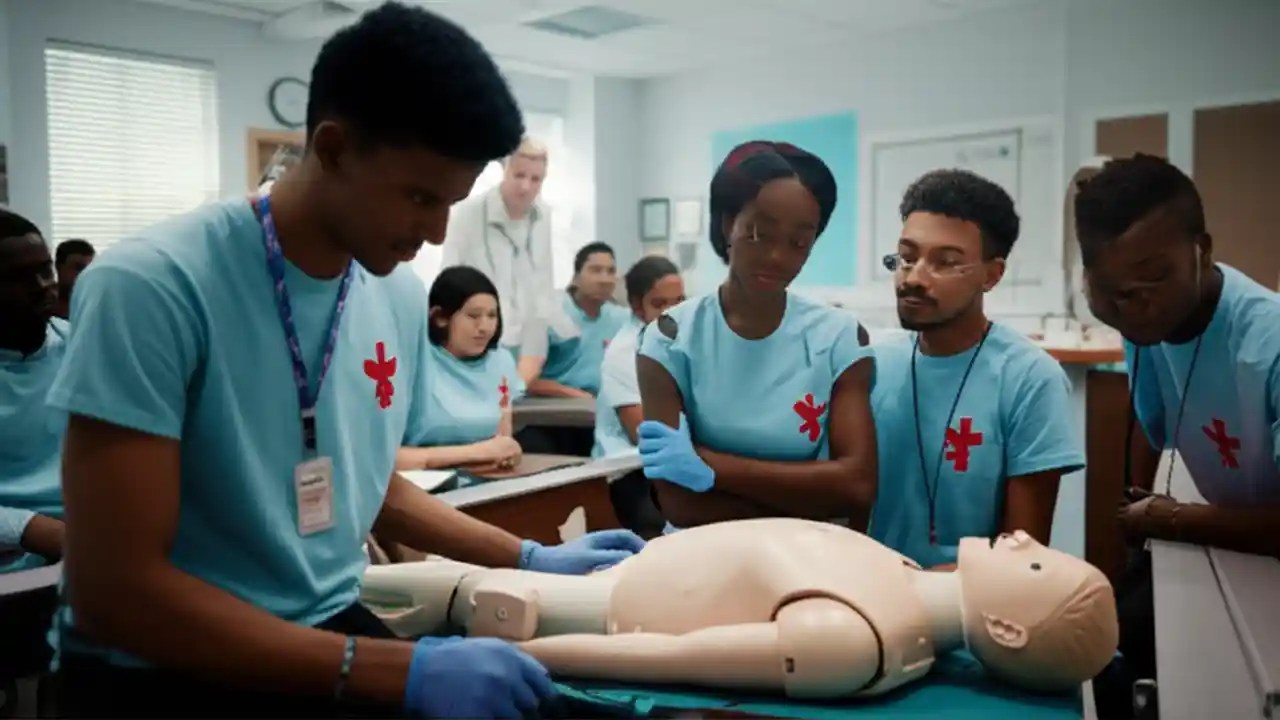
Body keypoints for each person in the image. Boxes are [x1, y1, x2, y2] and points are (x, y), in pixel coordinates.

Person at [46, 4, 643, 718]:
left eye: (453, 202)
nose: (435, 232)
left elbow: (373, 490)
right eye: (420, 197)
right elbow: (116, 592)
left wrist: (525, 557)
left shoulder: (390, 295)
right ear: (331, 149)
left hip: (320, 631)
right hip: (157, 663)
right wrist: (387, 669)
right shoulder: (154, 288)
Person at [362, 521, 1118, 698]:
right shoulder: (904, 573)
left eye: (1037, 564)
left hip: (593, 607)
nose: (1023, 538)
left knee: (424, 594)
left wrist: (527, 655)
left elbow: (670, 659)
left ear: (1010, 630)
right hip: (628, 568)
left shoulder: (858, 640)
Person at [1074, 154, 1280, 718]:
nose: (1136, 302)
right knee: (1110, 654)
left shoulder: (1271, 343)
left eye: (1155, 277)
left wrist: (1170, 520)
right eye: (1113, 290)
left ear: (1203, 249)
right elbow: (1156, 423)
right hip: (1231, 542)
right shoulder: (1144, 321)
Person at [635, 141, 877, 532]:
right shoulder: (669, 339)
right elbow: (678, 503)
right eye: (760, 234)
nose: (778, 257)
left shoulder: (839, 339)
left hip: (806, 556)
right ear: (728, 223)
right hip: (698, 553)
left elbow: (857, 485)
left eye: (799, 243)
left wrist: (711, 468)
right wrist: (808, 502)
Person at [868, 169, 1084, 570]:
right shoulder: (873, 365)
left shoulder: (1029, 378)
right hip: (865, 605)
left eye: (945, 263)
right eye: (907, 257)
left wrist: (915, 593)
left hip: (969, 611)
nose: (913, 278)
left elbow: (1022, 554)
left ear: (992, 275)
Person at [0, 209, 67, 683]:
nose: (47, 284)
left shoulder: (83, 346)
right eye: (22, 277)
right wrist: (32, 528)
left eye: (47, 268)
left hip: (92, 549)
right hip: (16, 561)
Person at [396, 266, 524, 472]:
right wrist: (477, 453)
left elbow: (503, 441)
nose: (485, 327)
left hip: (487, 482)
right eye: (474, 316)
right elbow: (386, 458)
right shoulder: (415, 359)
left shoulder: (501, 362)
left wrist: (508, 452)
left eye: (492, 315)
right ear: (440, 317)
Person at [592, 255, 685, 537]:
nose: (672, 312)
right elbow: (644, 433)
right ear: (636, 305)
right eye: (659, 304)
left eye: (679, 301)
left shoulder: (682, 339)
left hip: (677, 459)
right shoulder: (624, 352)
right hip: (630, 471)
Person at [515, 242, 628, 457]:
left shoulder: (621, 319)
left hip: (597, 417)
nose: (604, 279)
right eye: (595, 270)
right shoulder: (551, 314)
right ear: (576, 277)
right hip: (549, 417)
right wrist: (571, 393)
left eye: (611, 271)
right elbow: (524, 379)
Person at [442, 137, 553, 355]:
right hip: (479, 336)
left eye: (536, 179)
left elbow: (543, 281)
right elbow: (449, 280)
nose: (525, 187)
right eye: (519, 175)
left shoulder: (543, 215)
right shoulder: (468, 213)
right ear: (504, 170)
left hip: (527, 341)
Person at [52, 238, 94, 320]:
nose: (84, 274)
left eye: (89, 269)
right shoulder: (43, 305)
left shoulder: (94, 306)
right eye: (78, 268)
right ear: (58, 267)